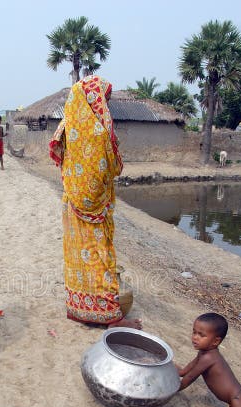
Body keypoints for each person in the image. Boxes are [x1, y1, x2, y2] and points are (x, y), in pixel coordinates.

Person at [49, 75, 141, 329]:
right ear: (93, 100)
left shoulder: (68, 124)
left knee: (79, 256)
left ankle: (80, 306)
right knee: (99, 256)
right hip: (93, 205)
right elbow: (111, 168)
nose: (107, 106)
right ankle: (110, 316)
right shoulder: (99, 132)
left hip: (71, 203)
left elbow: (58, 154)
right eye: (105, 100)